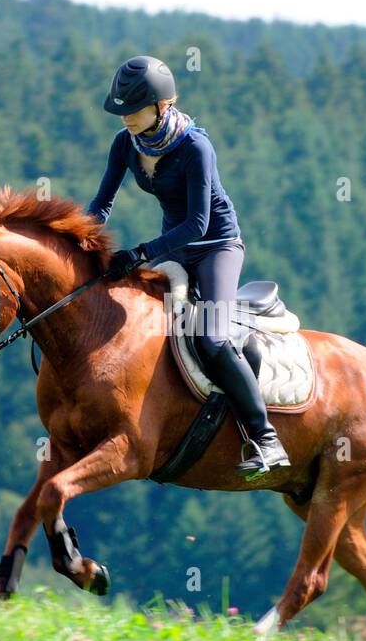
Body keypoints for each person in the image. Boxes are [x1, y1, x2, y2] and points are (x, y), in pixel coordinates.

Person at [86, 55, 291, 480]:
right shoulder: (127, 142)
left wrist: (142, 253)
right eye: (121, 110)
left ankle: (266, 438)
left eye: (133, 110)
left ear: (162, 106)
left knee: (212, 338)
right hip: (173, 248)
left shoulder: (196, 146)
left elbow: (198, 223)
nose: (125, 118)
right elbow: (103, 202)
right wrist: (81, 240)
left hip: (216, 246)